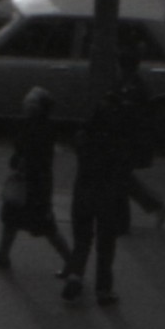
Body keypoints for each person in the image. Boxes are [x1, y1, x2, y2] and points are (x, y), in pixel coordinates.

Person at [0, 88, 75, 273]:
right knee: (12, 219)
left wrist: (19, 163)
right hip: (32, 182)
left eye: (30, 102)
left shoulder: (39, 129)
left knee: (45, 226)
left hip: (34, 184)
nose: (25, 104)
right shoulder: (37, 125)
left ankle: (72, 263)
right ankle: (3, 255)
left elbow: (30, 155)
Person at [62, 92, 136, 305]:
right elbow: (125, 171)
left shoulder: (84, 137)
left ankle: (75, 277)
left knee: (82, 240)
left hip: (83, 192)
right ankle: (103, 289)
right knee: (106, 245)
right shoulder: (118, 141)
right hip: (108, 197)